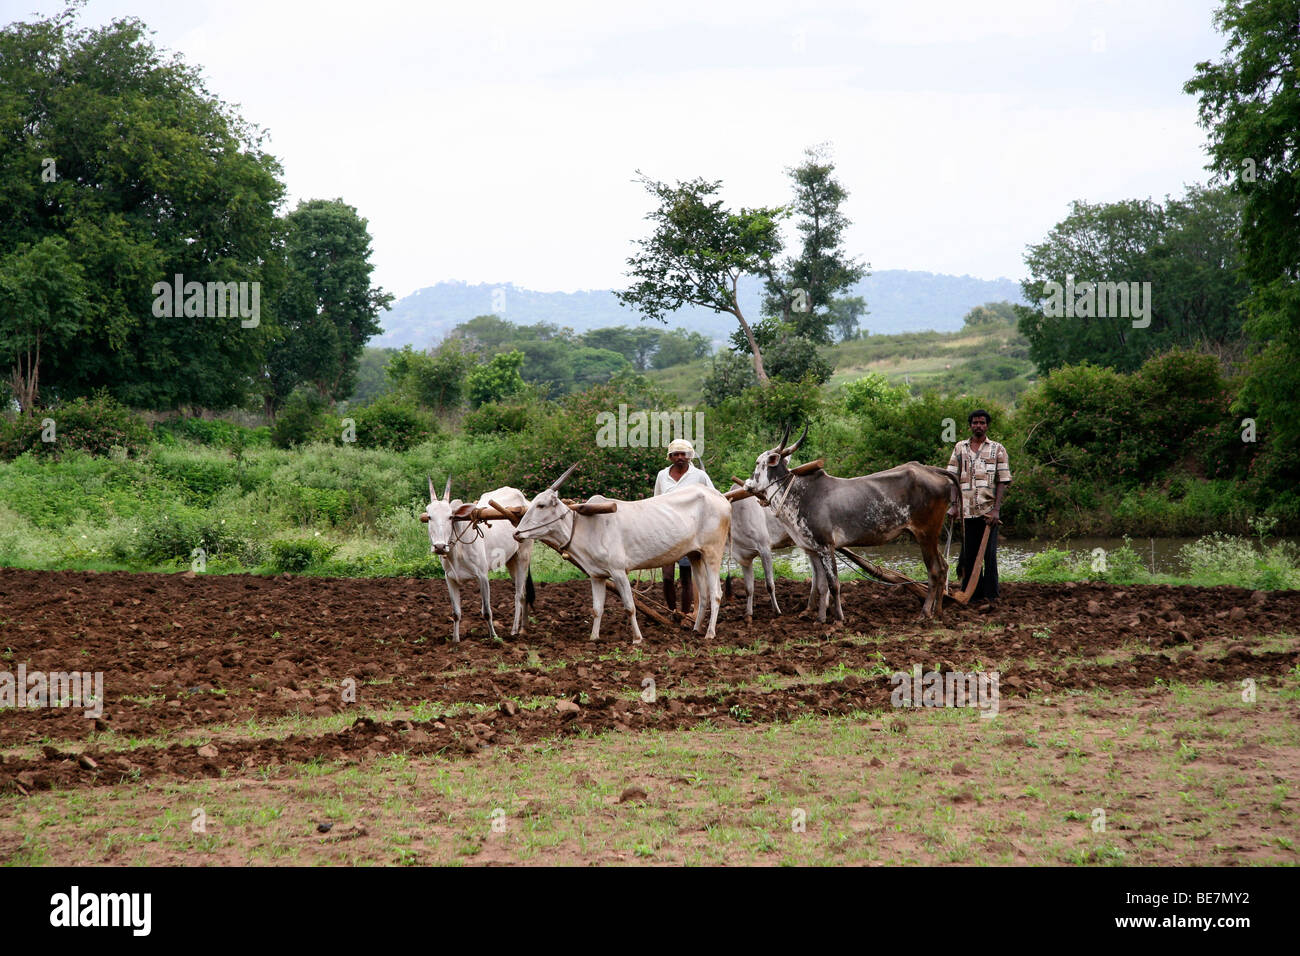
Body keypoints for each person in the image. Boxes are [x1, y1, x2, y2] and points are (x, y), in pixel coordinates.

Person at [946, 409, 1012, 611]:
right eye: (975, 423)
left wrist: (996, 510)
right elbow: (952, 478)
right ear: (970, 426)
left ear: (987, 426)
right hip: (966, 512)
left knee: (989, 556)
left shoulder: (997, 449)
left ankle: (991, 595)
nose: (978, 426)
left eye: (982, 423)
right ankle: (971, 594)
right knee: (969, 555)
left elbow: (1002, 480)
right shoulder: (960, 448)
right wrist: (953, 505)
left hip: (987, 512)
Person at [654, 438, 715, 618]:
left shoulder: (700, 476)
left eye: (684, 454)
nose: (680, 457)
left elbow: (713, 497)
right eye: (676, 454)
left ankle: (685, 612)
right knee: (666, 577)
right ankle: (672, 611)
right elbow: (655, 501)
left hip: (689, 534)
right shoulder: (662, 476)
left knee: (686, 577)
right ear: (670, 457)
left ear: (690, 457)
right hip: (665, 532)